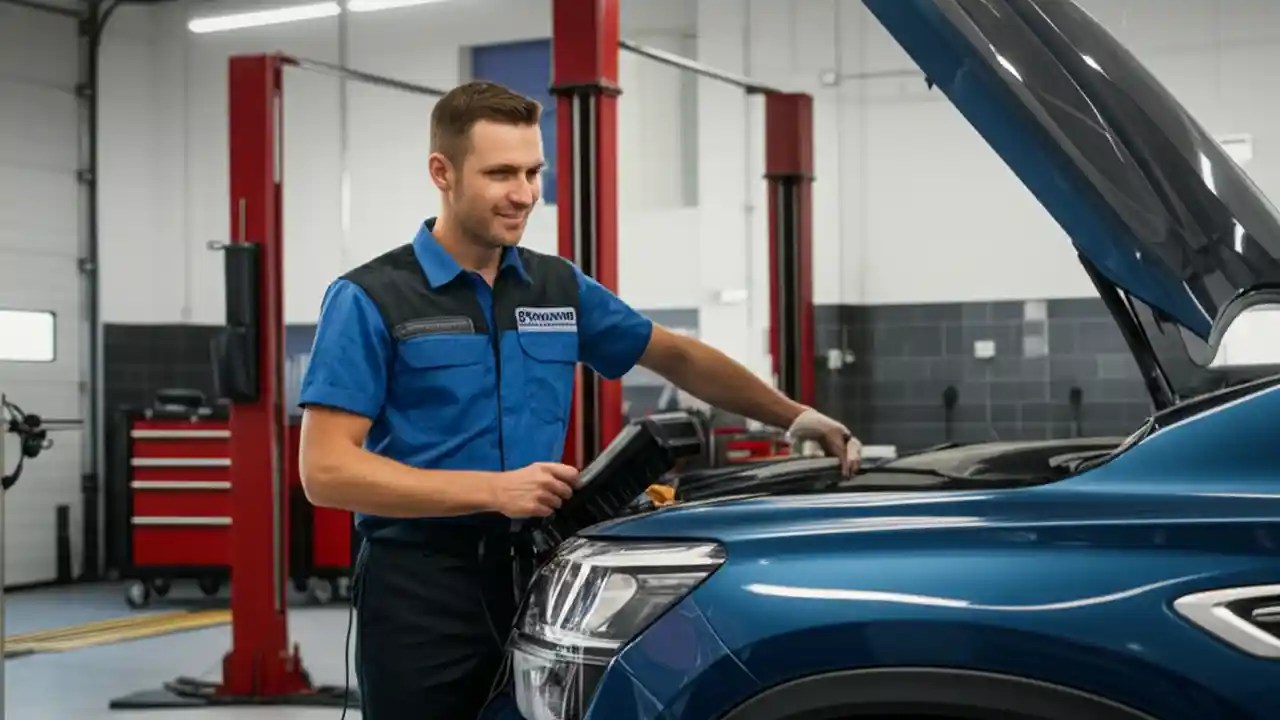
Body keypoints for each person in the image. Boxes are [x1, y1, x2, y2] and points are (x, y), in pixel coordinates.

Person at [296, 80, 862, 720]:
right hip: (420, 590)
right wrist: (491, 491)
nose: (525, 194)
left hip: (541, 575)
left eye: (534, 171)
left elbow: (674, 353)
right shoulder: (371, 297)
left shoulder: (553, 285)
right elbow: (327, 470)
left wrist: (797, 414)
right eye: (501, 173)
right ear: (442, 172)